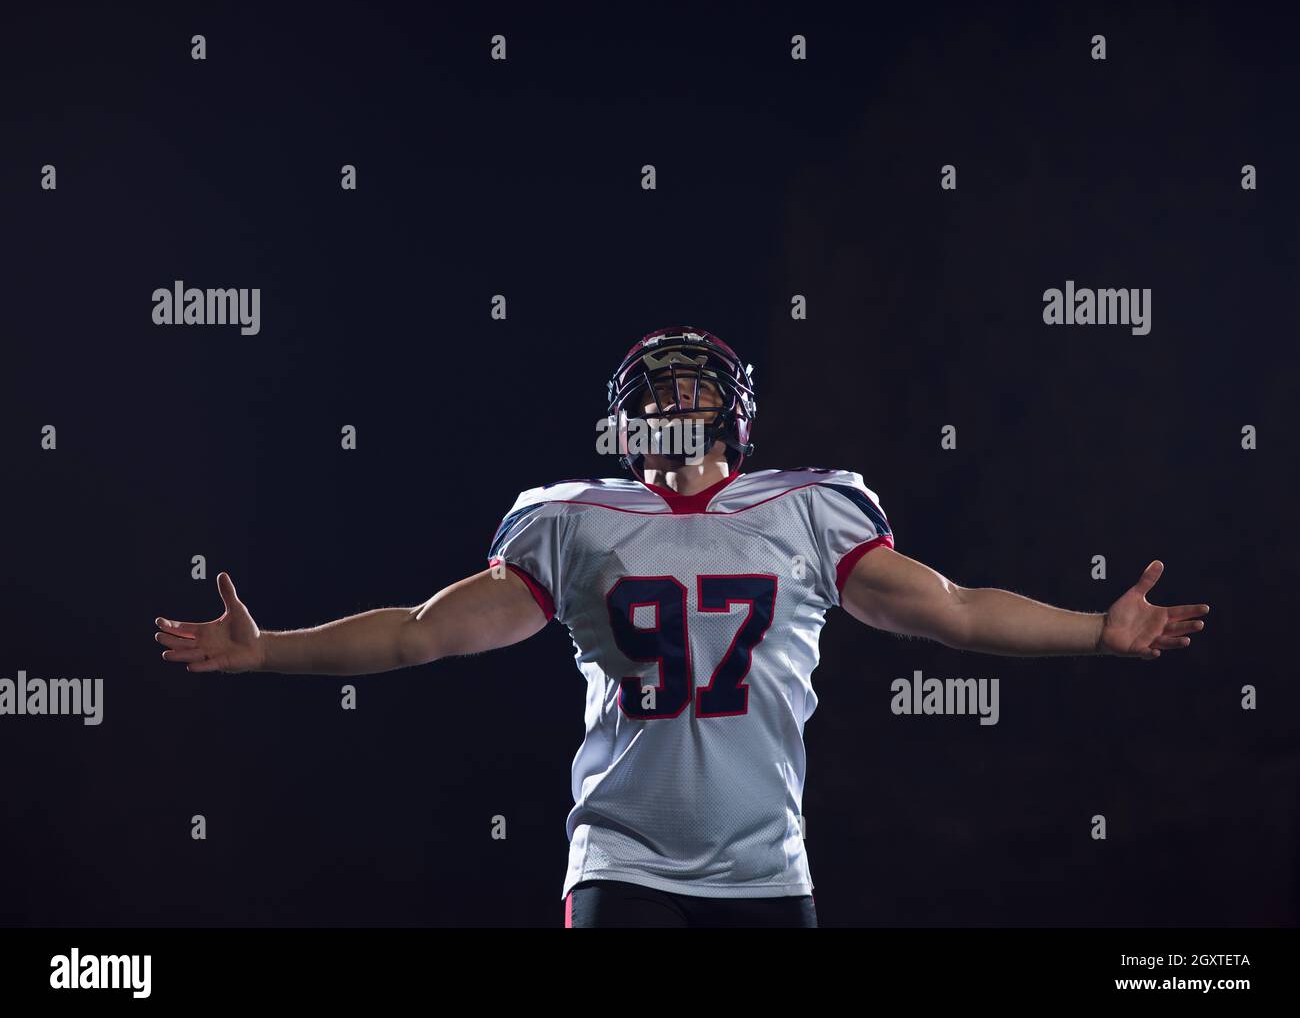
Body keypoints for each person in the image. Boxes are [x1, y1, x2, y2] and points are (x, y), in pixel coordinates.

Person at [154, 324, 1210, 928]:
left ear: (734, 412)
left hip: (764, 868)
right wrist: (271, 651)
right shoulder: (573, 523)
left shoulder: (804, 511)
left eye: (691, 384)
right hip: (622, 863)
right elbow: (422, 632)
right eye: (657, 389)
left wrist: (1092, 631)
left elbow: (952, 612)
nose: (675, 400)